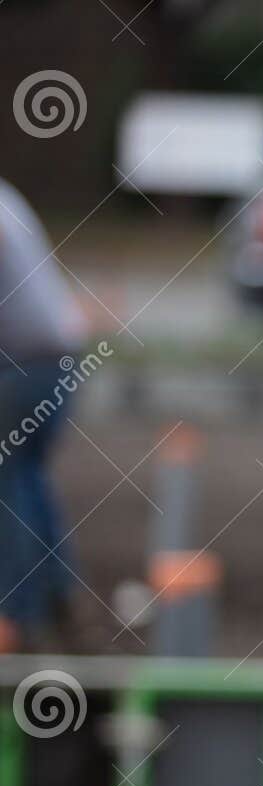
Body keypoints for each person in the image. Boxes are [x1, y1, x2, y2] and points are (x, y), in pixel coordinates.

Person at [0, 177, 88, 652]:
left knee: (9, 484)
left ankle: (14, 616)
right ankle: (57, 597)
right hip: (52, 360)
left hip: (24, 366)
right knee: (25, 477)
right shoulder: (7, 194)